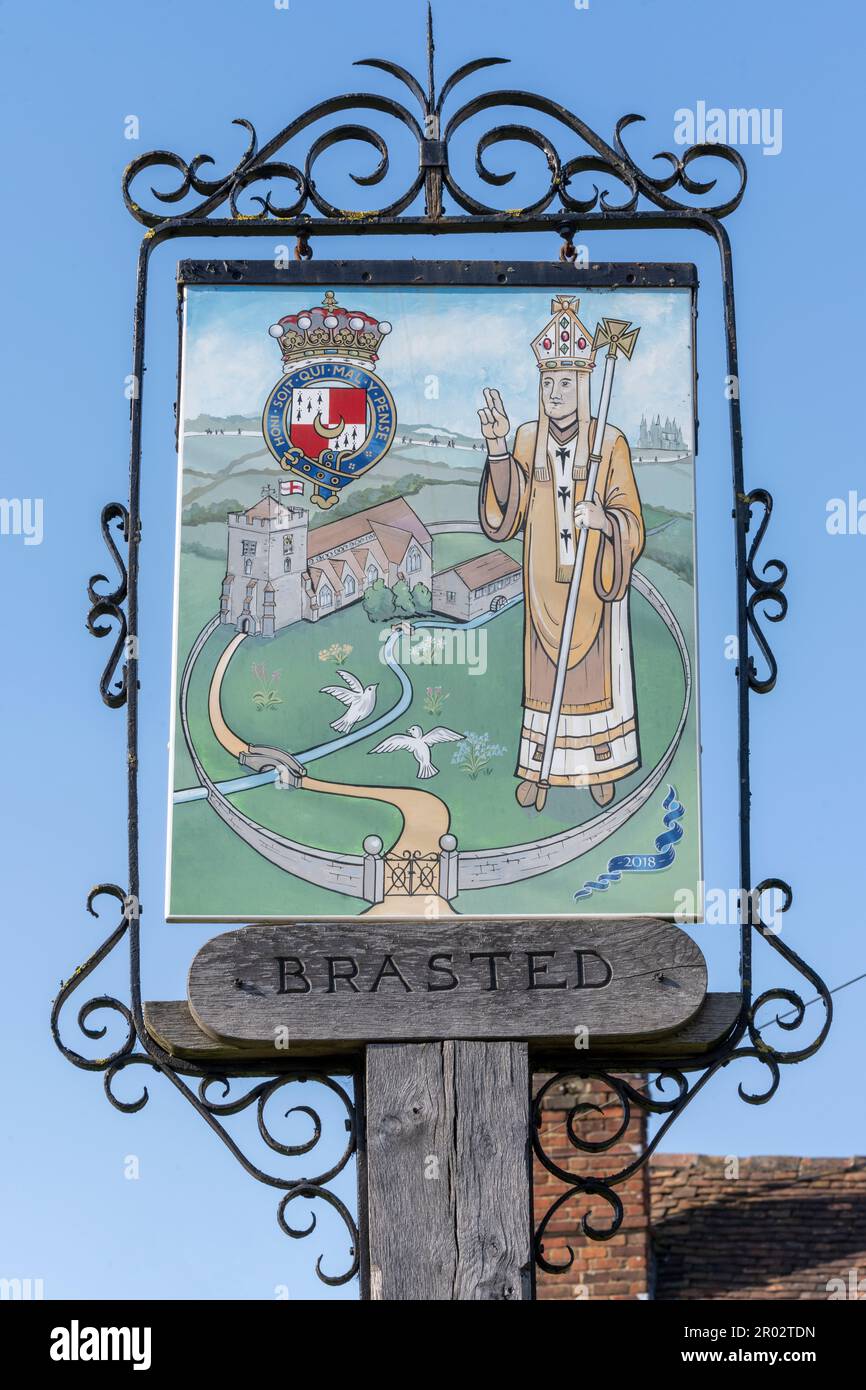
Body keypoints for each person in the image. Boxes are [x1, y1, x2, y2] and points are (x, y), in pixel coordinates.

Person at [477, 296, 644, 808]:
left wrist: (605, 520)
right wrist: (498, 449)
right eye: (548, 383)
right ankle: (539, 768)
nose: (555, 393)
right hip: (544, 588)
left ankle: (602, 765)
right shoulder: (528, 438)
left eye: (565, 383)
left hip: (595, 585)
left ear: (585, 385)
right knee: (544, 679)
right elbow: (509, 512)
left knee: (594, 677)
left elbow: (632, 523)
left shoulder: (609, 442)